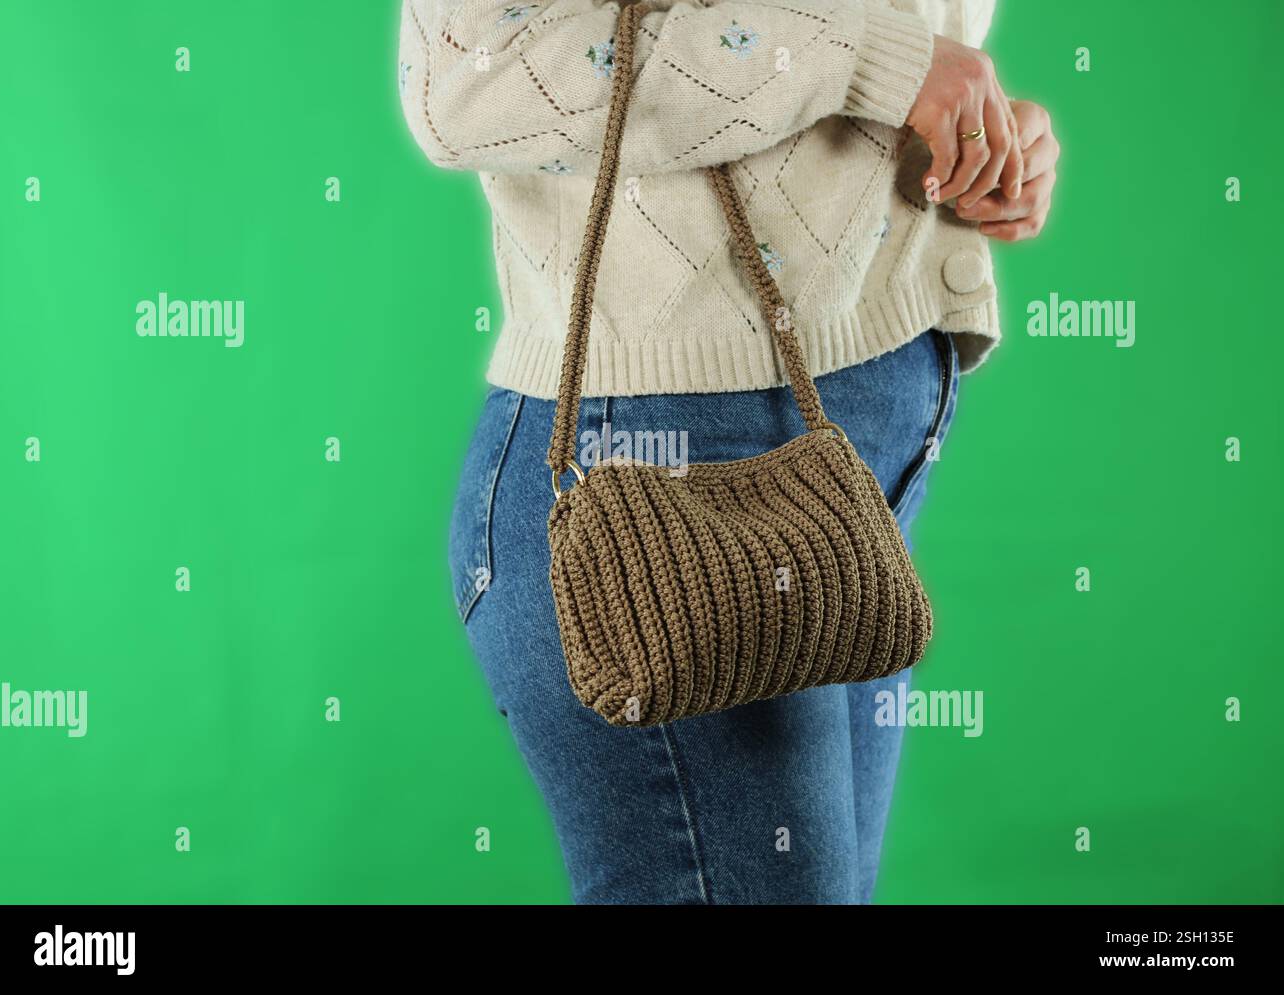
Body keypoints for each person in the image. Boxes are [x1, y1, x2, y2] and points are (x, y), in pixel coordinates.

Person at [400, 0, 1059, 904]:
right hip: (658, 481)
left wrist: (973, 126)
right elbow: (464, 78)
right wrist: (886, 62)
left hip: (852, 459)